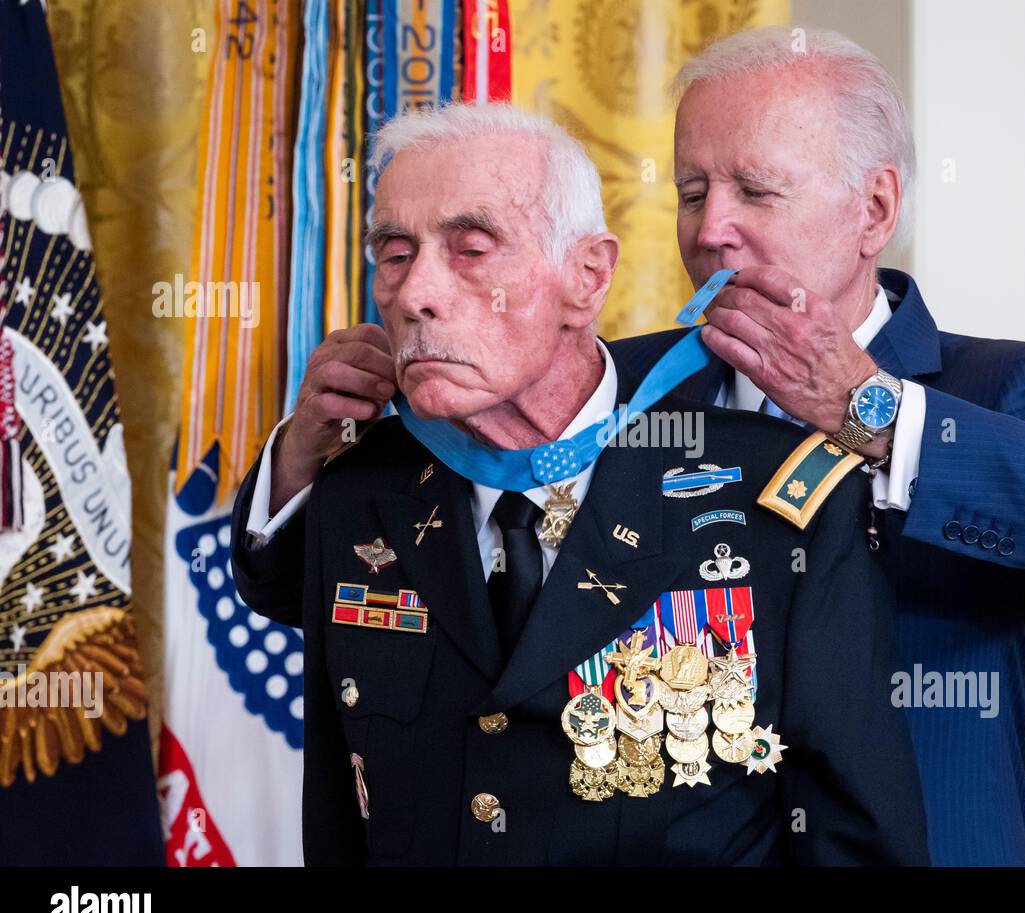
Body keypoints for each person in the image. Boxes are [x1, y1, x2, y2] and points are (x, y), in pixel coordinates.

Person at [235, 28, 1025, 866]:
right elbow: (354, 589)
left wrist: (871, 413)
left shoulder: (999, 388)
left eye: (755, 192)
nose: (709, 230)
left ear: (875, 208)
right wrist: (303, 456)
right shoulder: (604, 380)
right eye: (693, 191)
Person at [258, 102, 928, 865]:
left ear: (587, 277)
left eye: (472, 249)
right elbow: (340, 821)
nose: (416, 295)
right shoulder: (356, 490)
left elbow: (855, 833)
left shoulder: (776, 494)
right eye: (396, 253)